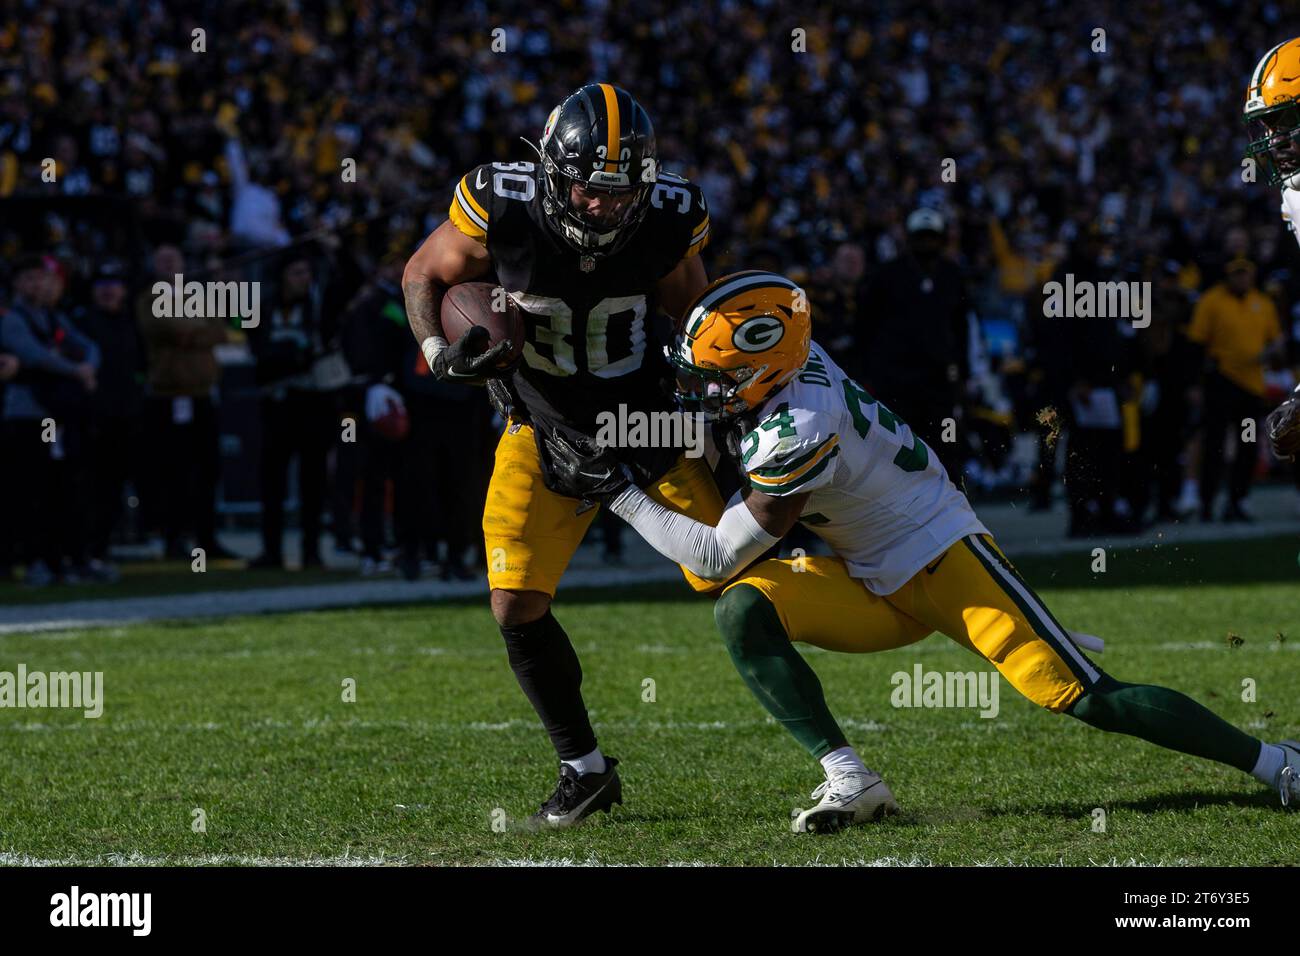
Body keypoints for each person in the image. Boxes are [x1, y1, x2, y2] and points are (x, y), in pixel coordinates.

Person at [544, 270, 1300, 831]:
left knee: (1084, 695)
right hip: (870, 573)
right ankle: (851, 778)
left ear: (763, 370)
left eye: (716, 379)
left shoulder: (797, 426)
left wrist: (618, 491)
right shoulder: (787, 369)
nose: (702, 393)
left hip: (942, 559)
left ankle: (1275, 762)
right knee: (745, 613)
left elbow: (710, 557)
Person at [401, 84, 723, 827]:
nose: (604, 208)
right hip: (541, 421)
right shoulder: (499, 202)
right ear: (549, 171)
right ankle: (584, 769)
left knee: (738, 580)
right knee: (514, 600)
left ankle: (840, 762)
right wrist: (436, 351)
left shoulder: (672, 215)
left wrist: (708, 409)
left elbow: (694, 313)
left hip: (647, 422)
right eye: (588, 188)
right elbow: (424, 273)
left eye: (620, 193)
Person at [0, 254, 100, 585]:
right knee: (33, 485)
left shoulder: (54, 318)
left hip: (54, 415)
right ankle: (35, 559)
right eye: (29, 278)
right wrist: (77, 370)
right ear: (17, 284)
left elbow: (88, 346)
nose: (38, 284)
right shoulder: (14, 318)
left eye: (42, 278)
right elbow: (35, 356)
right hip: (31, 415)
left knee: (61, 483)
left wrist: (87, 365)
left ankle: (62, 558)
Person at [858, 209, 976, 482]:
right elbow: (865, 327)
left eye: (932, 237)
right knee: (894, 445)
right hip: (895, 380)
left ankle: (948, 500)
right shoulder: (886, 276)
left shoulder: (952, 274)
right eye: (921, 237)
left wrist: (964, 373)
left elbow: (963, 328)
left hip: (939, 381)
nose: (927, 243)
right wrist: (869, 373)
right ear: (910, 239)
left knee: (945, 444)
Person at [246, 254, 344, 570]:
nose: (304, 278)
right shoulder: (264, 307)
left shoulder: (319, 308)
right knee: (271, 480)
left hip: (313, 404)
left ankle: (311, 552)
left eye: (307, 272)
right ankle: (271, 551)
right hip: (276, 405)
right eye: (298, 271)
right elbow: (261, 354)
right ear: (284, 275)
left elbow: (343, 288)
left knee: (312, 482)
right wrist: (297, 356)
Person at [137, 244, 230, 561]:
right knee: (173, 470)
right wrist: (200, 328)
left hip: (201, 394)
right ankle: (173, 538)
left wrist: (199, 328)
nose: (169, 266)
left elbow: (221, 331)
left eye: (174, 260)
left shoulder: (196, 297)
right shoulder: (149, 298)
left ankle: (207, 538)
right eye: (162, 261)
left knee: (208, 469)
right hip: (168, 396)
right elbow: (179, 330)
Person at [1186, 258, 1284, 522]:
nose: (1241, 279)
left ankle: (1238, 501)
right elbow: (1196, 345)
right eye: (1236, 275)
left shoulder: (1262, 304)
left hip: (1251, 387)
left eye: (1245, 275)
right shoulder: (1212, 301)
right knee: (1215, 443)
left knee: (1248, 444)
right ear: (1227, 276)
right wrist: (1195, 383)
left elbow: (1276, 341)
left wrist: (1274, 350)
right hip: (1222, 381)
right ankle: (1207, 502)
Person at [74, 259, 147, 573]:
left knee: (114, 489)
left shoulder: (133, 323)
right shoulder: (80, 323)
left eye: (113, 284)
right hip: (89, 420)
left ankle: (100, 551)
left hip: (126, 419)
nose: (107, 291)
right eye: (101, 285)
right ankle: (80, 552)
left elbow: (141, 368)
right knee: (85, 488)